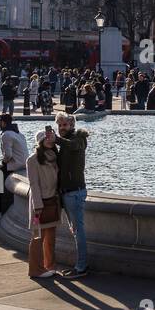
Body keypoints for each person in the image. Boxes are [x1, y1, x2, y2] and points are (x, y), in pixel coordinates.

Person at [54, 111, 91, 279]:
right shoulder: (65, 143)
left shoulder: (78, 138)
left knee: (78, 230)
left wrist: (56, 140)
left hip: (75, 192)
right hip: (68, 193)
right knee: (76, 230)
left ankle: (82, 267)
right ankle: (80, 265)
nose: (62, 127)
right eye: (60, 125)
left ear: (72, 125)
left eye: (65, 124)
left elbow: (73, 145)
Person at [25, 126, 61, 279]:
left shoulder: (54, 156)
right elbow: (33, 184)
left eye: (50, 138)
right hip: (40, 204)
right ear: (40, 141)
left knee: (50, 237)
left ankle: (49, 266)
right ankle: (35, 269)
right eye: (45, 138)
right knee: (37, 236)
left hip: (53, 201)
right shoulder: (32, 160)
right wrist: (38, 205)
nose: (49, 140)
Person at [0, 113, 29, 214]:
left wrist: (3, 162)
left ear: (2, 123)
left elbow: (8, 155)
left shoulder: (6, 134)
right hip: (24, 166)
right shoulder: (19, 134)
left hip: (14, 167)